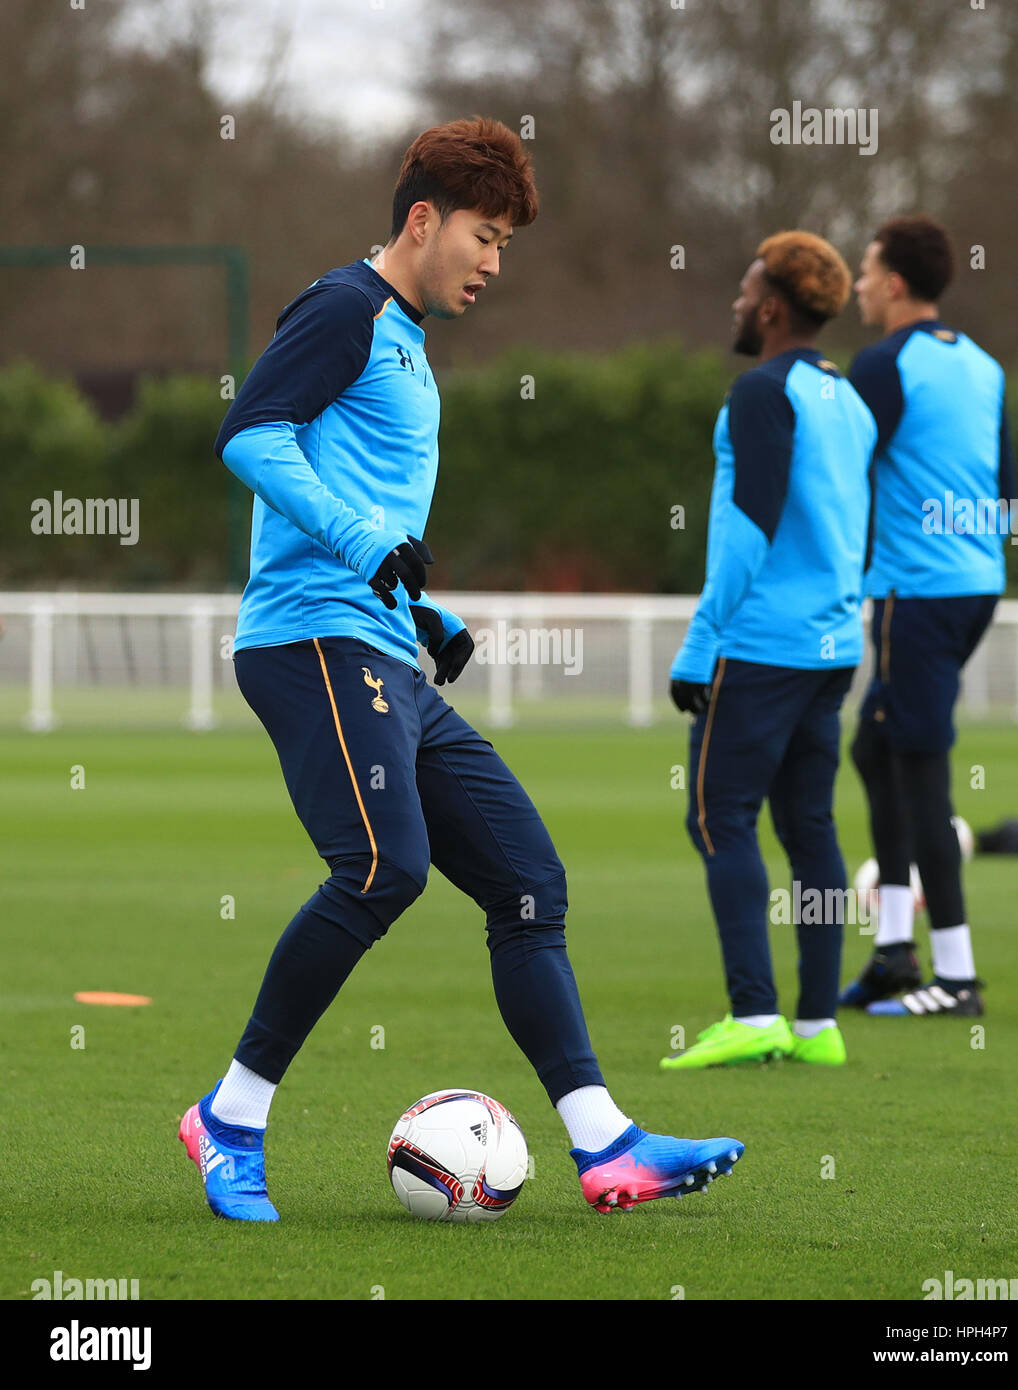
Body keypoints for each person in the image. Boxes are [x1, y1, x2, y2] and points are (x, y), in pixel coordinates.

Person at [179, 117, 742, 1220]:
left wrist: (421, 604)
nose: (494, 264)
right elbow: (250, 434)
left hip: (379, 644)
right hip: (308, 642)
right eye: (484, 237)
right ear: (423, 220)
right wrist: (360, 547)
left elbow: (370, 512)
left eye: (505, 246)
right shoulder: (343, 308)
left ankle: (604, 1144)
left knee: (529, 878)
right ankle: (230, 1116)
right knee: (384, 866)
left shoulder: (405, 340)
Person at [662, 232, 875, 1070]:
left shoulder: (761, 390)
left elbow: (752, 522)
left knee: (719, 817)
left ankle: (754, 1013)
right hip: (831, 646)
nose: (738, 303)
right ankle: (818, 1025)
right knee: (811, 829)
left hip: (760, 644)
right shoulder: (849, 400)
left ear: (774, 306)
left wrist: (699, 640)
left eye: (747, 290)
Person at [840, 215, 1014, 1017]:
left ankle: (956, 976)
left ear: (897, 283)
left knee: (919, 770)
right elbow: (1003, 478)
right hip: (976, 584)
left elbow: (836, 470)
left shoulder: (884, 365)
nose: (860, 285)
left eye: (868, 272)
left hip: (917, 592)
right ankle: (894, 954)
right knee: (877, 751)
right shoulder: (982, 366)